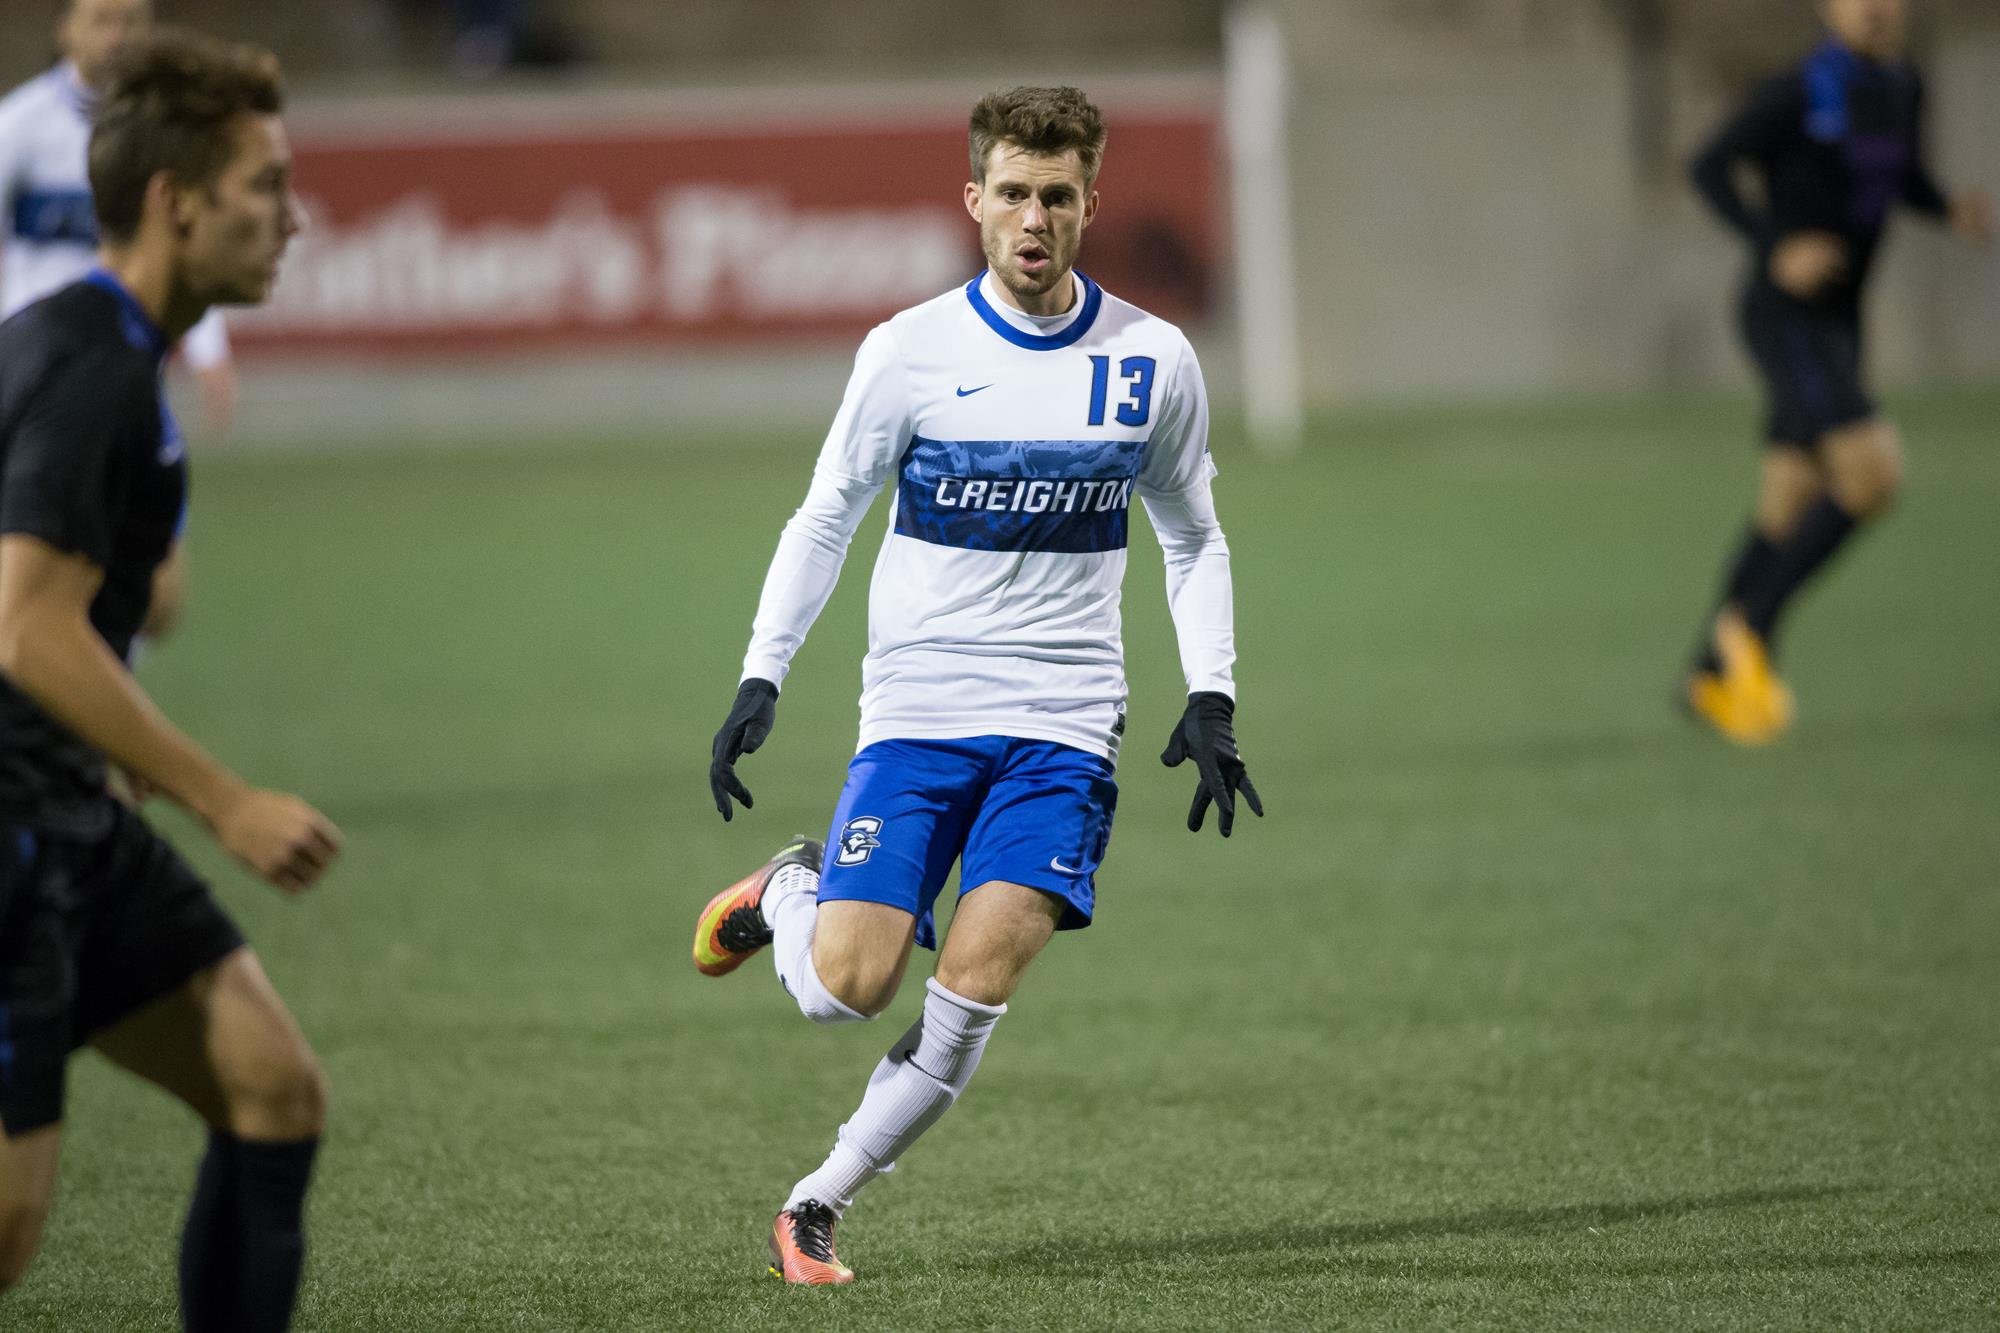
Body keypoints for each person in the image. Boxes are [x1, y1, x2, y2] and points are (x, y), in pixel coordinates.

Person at [691, 85, 1262, 1285]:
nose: (1033, 218)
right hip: (919, 716)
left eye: (1056, 195)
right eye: (1011, 193)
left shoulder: (1152, 360)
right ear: (973, 200)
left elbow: (1192, 536)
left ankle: (815, 1201)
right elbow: (826, 514)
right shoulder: (908, 352)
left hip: (1064, 729)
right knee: (845, 989)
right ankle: (789, 892)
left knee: (974, 984)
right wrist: (761, 671)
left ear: (1090, 203)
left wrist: (1209, 693)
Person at [0, 29, 340, 1332]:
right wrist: (223, 798)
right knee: (8, 1229)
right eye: (266, 185)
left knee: (272, 1088)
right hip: (14, 826)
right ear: (174, 201)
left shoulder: (98, 349)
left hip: (70, 808)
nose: (291, 217)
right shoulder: (90, 370)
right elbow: (28, 630)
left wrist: (114, 751)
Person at [1682, 0, 1991, 743]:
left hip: (1840, 324)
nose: (1875, 8)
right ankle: (1748, 627)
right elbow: (1707, 166)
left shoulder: (1902, 85)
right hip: (1786, 319)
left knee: (1790, 497)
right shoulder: (1797, 91)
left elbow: (1895, 173)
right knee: (1873, 473)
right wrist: (1774, 245)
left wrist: (1945, 207)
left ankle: (1709, 676)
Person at [1, 0, 241, 436]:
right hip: (36, 355)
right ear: (65, 30)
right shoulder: (19, 124)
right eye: (101, 21)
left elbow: (187, 247)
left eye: (130, 22)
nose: (117, 37)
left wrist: (209, 350)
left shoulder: (165, 130)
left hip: (129, 354)